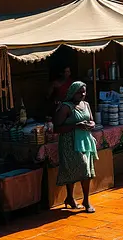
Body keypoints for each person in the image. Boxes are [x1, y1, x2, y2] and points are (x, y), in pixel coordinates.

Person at [53, 81, 97, 213]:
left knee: (87, 171)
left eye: (84, 92)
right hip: (69, 143)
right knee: (76, 169)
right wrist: (76, 126)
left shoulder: (86, 105)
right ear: (72, 92)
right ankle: (72, 198)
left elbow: (91, 120)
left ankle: (83, 199)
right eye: (79, 92)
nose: (82, 94)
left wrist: (91, 125)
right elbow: (57, 128)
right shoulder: (66, 107)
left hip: (85, 141)